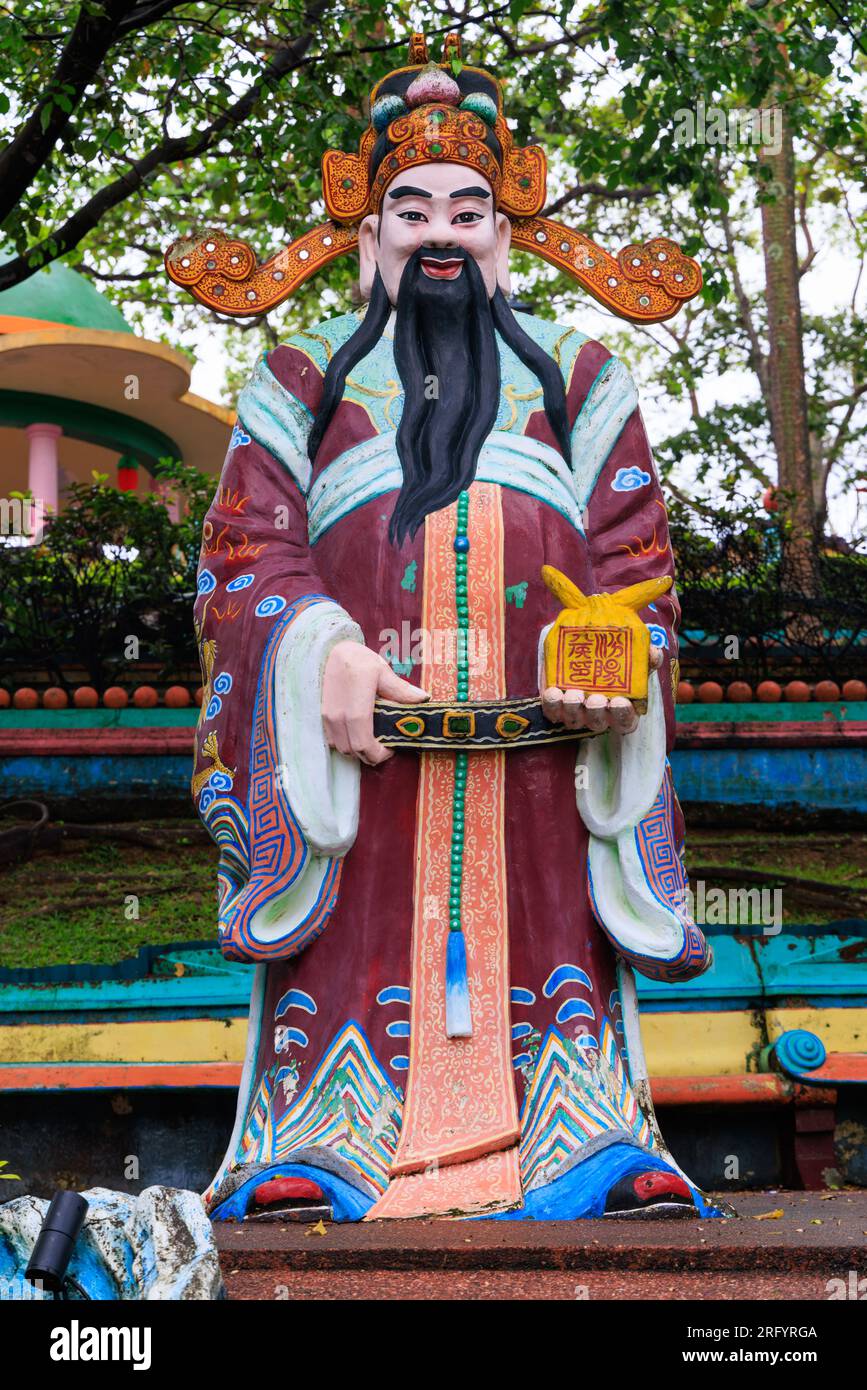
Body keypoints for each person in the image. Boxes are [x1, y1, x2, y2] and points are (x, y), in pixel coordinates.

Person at [189, 34, 720, 1222]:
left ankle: (585, 1131)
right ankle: (322, 1133)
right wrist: (315, 646)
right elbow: (240, 557)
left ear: (505, 237)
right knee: (355, 943)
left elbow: (639, 562)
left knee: (555, 950)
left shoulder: (585, 379)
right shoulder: (297, 379)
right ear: (370, 236)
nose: (442, 233)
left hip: (544, 763)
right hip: (361, 768)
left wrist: (620, 660)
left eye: (471, 211)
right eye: (412, 209)